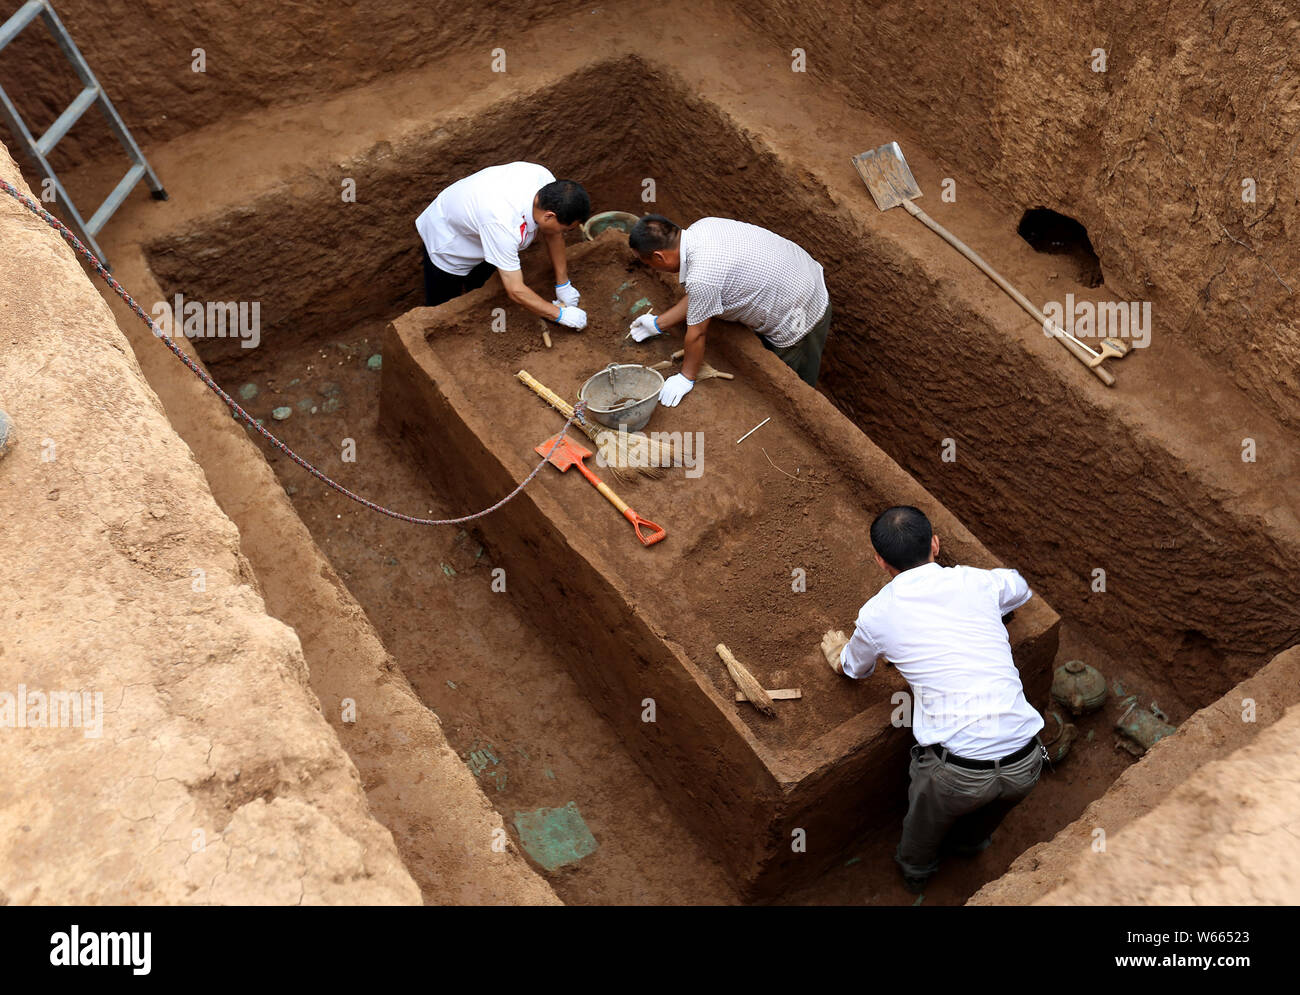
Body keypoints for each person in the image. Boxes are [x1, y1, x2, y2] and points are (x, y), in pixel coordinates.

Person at [820, 506, 1046, 894]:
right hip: (1026, 761)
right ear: (935, 545)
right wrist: (995, 610)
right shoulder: (979, 582)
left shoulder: (877, 614)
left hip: (957, 774)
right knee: (990, 812)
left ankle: (916, 872)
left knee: (924, 826)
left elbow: (855, 670)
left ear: (880, 560)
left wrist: (839, 654)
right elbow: (1021, 587)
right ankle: (972, 845)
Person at [625, 215, 831, 405]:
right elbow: (702, 295)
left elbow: (697, 334)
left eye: (649, 263)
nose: (653, 268)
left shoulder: (702, 276)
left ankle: (804, 412)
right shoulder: (702, 227)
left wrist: (686, 377)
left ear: (660, 257)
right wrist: (658, 323)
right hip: (804, 275)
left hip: (801, 312)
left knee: (795, 386)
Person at [415, 162, 591, 329]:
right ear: (549, 216)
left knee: (480, 283)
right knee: (444, 303)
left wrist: (563, 284)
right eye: (566, 228)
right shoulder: (503, 224)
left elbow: (554, 234)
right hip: (449, 242)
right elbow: (515, 290)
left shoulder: (544, 181)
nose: (565, 233)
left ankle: (477, 300)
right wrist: (560, 315)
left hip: (481, 228)